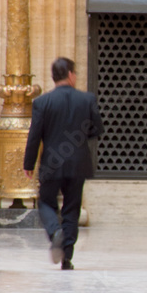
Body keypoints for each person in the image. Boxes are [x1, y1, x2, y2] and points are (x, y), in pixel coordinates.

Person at [24, 57, 103, 270]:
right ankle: (67, 257)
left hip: (51, 162)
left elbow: (35, 135)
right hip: (78, 162)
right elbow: (97, 129)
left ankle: (54, 232)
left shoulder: (42, 102)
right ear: (70, 74)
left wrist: (28, 163)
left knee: (46, 202)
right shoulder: (87, 99)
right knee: (72, 207)